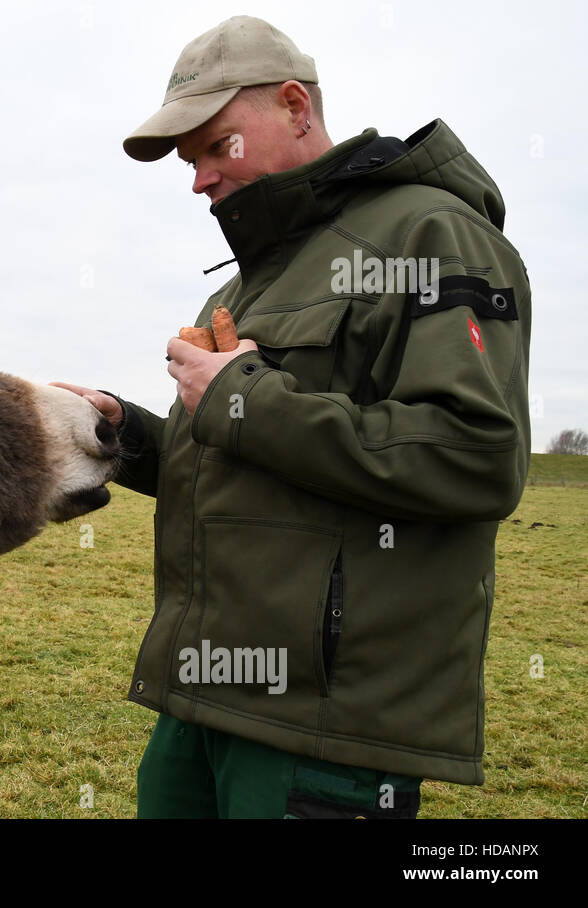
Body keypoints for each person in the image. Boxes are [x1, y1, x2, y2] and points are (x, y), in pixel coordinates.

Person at [53, 15, 532, 818]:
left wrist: (240, 395)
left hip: (322, 726)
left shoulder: (432, 234)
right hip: (202, 698)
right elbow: (246, 466)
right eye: (189, 159)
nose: (199, 178)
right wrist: (122, 432)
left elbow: (474, 454)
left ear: (294, 106)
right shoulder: (243, 286)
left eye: (215, 146)